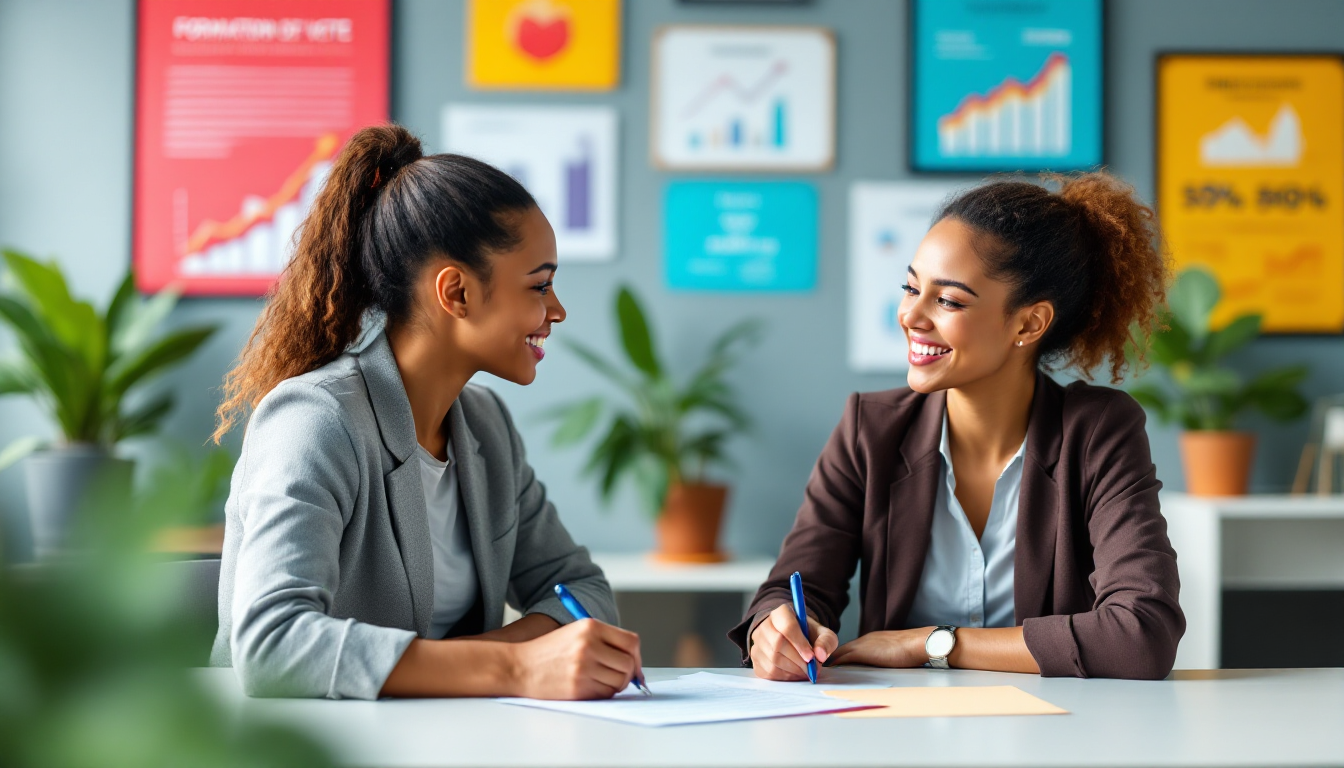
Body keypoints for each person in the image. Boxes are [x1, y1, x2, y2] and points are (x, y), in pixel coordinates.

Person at [209, 124, 643, 700]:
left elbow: (582, 588)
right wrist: (517, 668)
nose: (556, 311)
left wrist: (478, 666)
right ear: (457, 293)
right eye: (539, 287)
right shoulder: (314, 421)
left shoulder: (486, 426)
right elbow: (272, 647)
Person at [731, 173, 1184, 681]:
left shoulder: (1098, 431)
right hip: (899, 731)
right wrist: (777, 628)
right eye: (911, 288)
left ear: (1029, 324)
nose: (910, 316)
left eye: (948, 301)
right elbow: (795, 585)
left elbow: (1142, 634)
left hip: (1054, 733)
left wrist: (928, 644)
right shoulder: (869, 429)